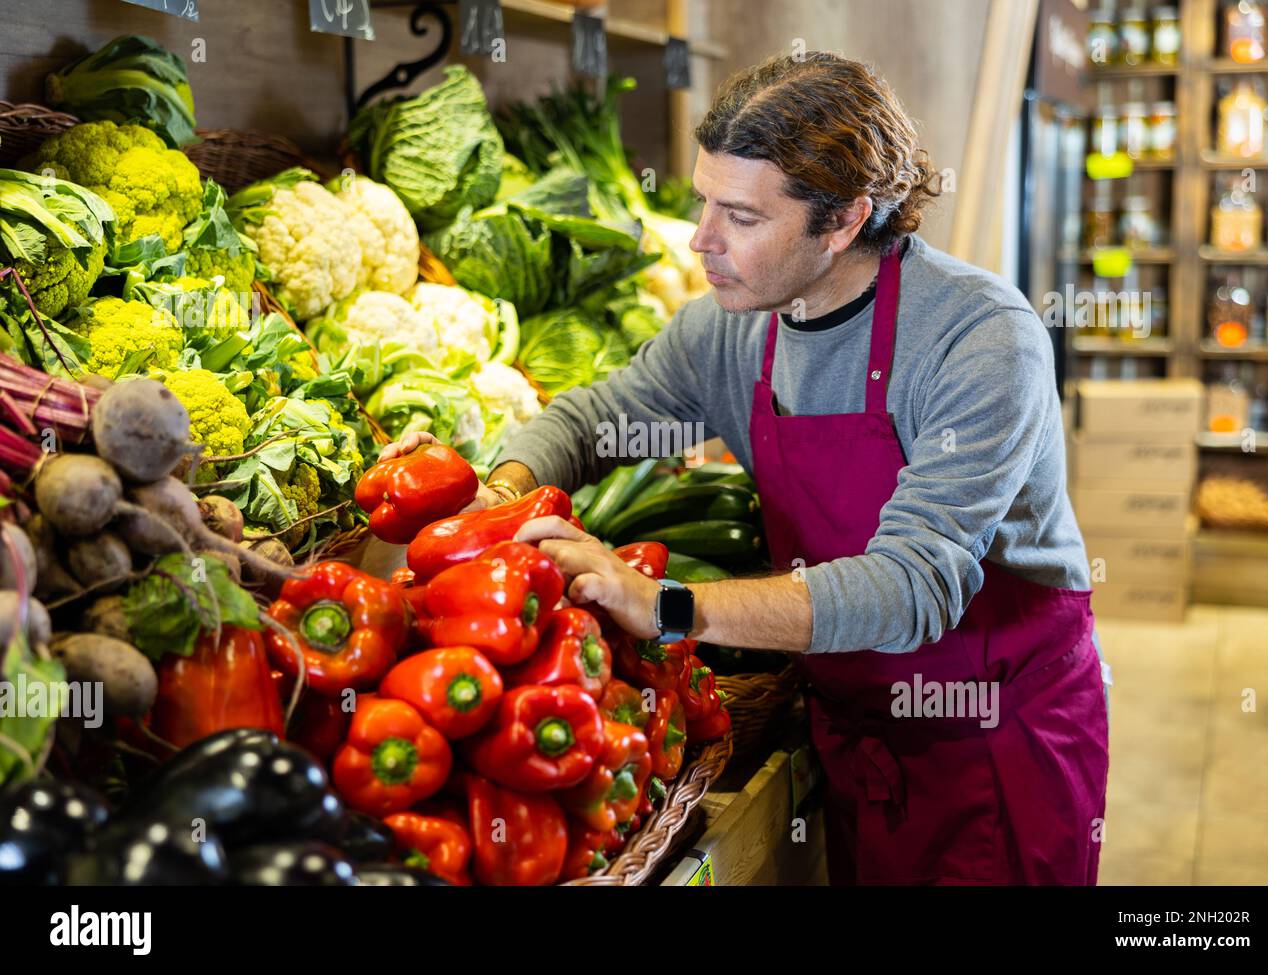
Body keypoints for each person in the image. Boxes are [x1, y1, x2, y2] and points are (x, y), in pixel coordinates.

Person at [380, 52, 1109, 885]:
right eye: (702, 201)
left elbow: (914, 586)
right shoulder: (731, 333)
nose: (703, 241)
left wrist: (666, 605)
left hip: (997, 737)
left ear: (842, 221)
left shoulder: (978, 338)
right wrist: (492, 497)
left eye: (742, 217)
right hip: (855, 725)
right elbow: (592, 423)